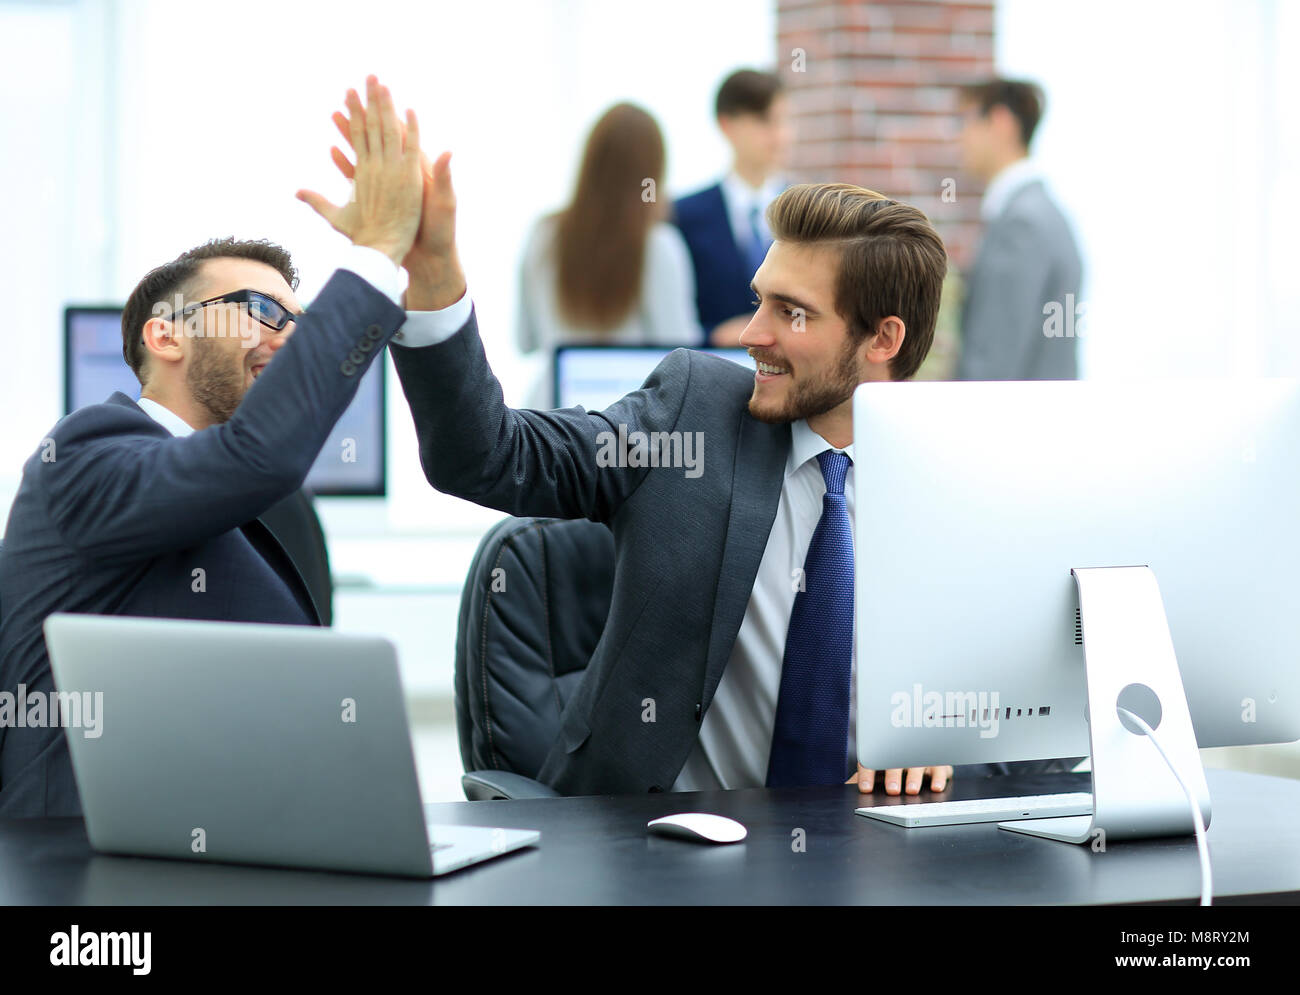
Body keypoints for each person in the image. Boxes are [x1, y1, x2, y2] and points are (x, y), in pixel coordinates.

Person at [320, 93, 1083, 795]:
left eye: (792, 312)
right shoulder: (693, 416)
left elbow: (1036, 731)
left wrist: (947, 737)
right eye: (759, 301)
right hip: (658, 853)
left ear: (884, 338)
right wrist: (430, 282)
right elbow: (486, 454)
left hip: (871, 858)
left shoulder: (956, 489)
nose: (752, 334)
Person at [0, 75, 425, 818]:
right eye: (261, 311)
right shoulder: (87, 454)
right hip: (81, 865)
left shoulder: (285, 509)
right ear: (165, 333)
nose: (287, 339)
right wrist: (378, 255)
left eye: (298, 322)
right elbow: (259, 455)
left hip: (254, 844)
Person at [516, 103, 700, 406]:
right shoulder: (658, 245)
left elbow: (525, 341)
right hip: (623, 424)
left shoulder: (543, 234)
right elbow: (680, 357)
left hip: (546, 417)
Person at [955, 78, 1083, 380]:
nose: (960, 138)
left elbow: (993, 359)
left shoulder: (1022, 223)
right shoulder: (1038, 212)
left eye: (965, 122)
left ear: (1000, 122)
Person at [673, 69, 792, 347]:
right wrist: (713, 335)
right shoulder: (684, 216)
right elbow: (673, 323)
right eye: (765, 121)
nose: (780, 136)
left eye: (784, 121)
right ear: (727, 126)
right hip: (711, 373)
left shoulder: (810, 215)